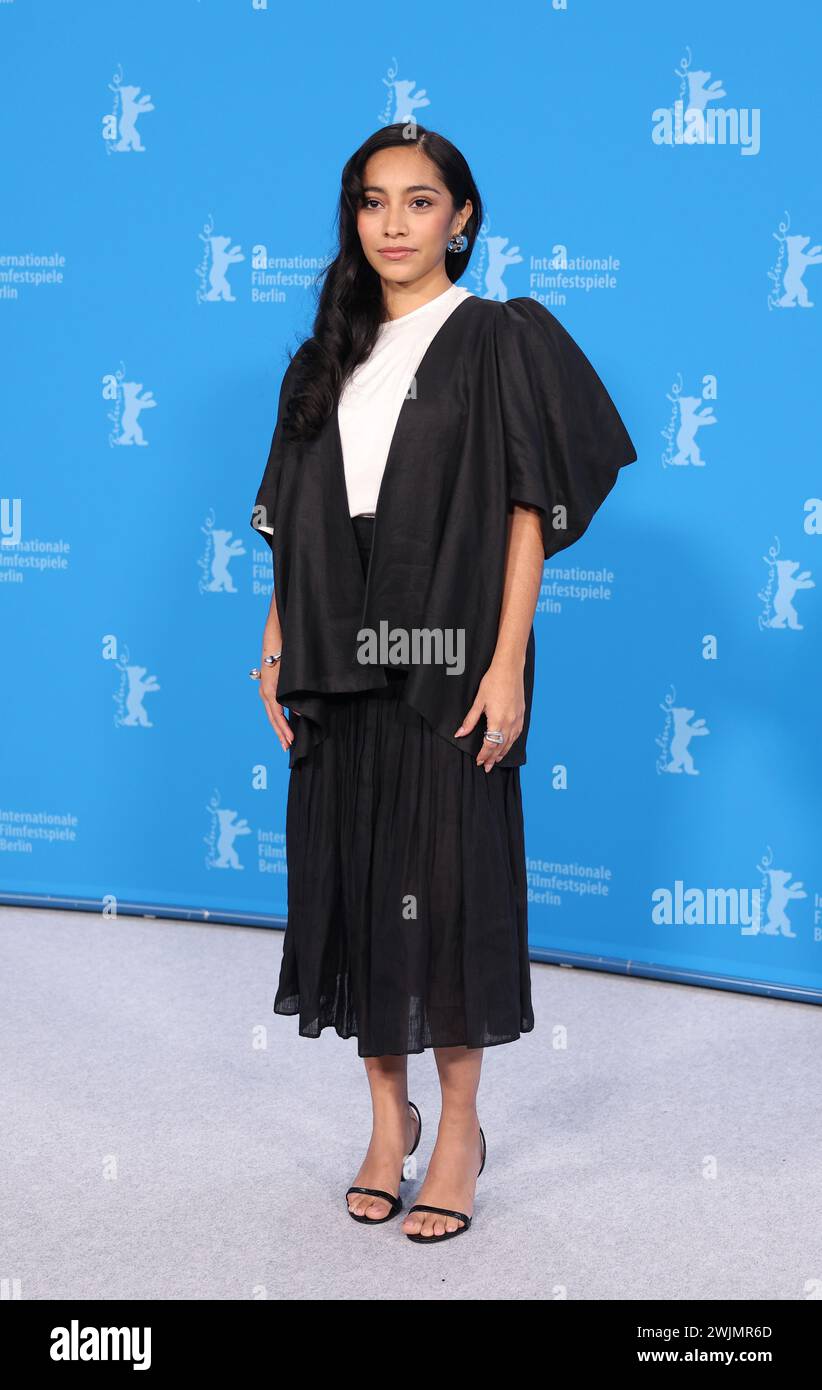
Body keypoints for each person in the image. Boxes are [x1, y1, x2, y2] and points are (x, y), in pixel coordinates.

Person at [249, 123, 636, 1243]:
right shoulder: (322, 356)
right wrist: (276, 637)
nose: (394, 225)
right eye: (374, 202)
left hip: (448, 655)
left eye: (421, 202)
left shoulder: (498, 338)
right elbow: (292, 517)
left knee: (447, 885)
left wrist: (508, 659)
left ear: (462, 218)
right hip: (334, 650)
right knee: (355, 880)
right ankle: (387, 1120)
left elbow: (528, 507)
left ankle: (459, 1125)